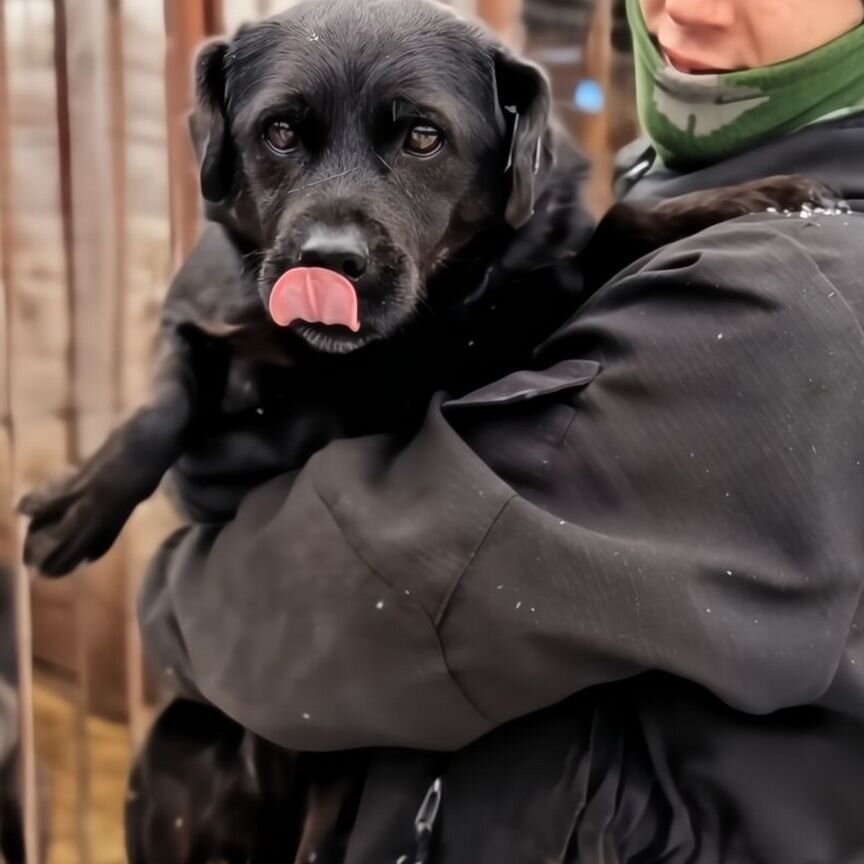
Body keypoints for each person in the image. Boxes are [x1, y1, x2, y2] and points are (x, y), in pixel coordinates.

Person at [139, 0, 864, 860]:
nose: (685, 4)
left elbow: (365, 613)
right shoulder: (680, 186)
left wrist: (174, 599)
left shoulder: (791, 290)